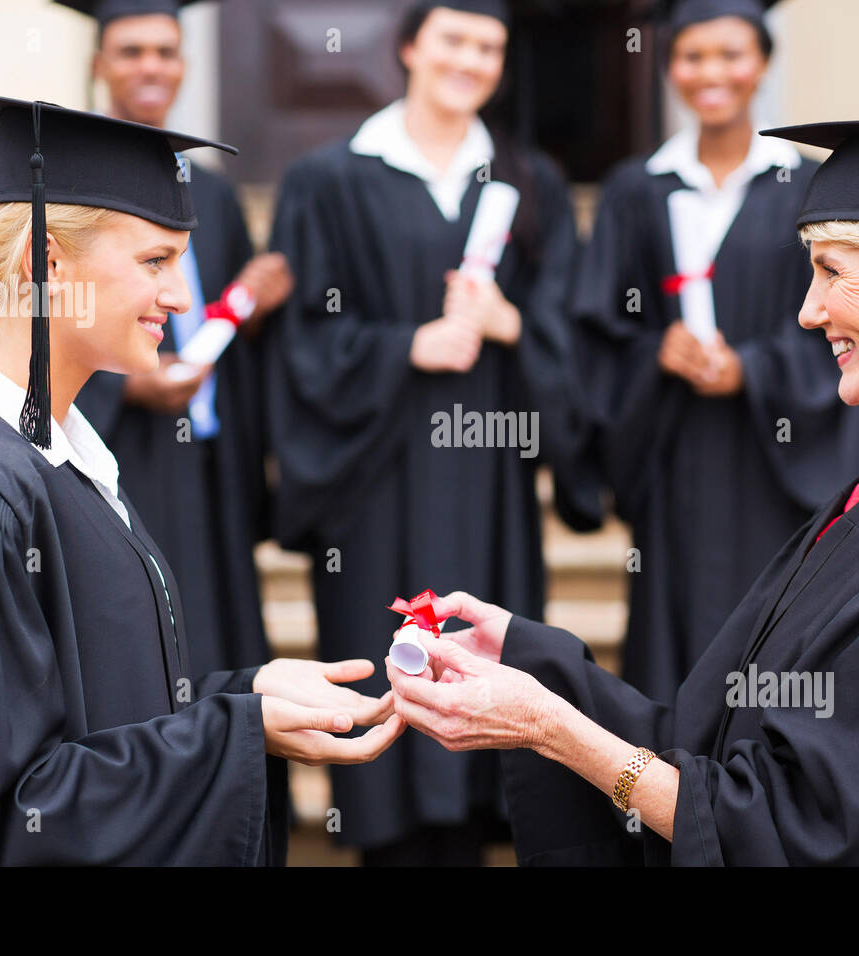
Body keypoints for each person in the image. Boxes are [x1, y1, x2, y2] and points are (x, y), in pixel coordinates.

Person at [386, 118, 859, 865]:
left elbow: (805, 833)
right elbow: (724, 743)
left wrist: (554, 731)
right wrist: (529, 660)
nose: (808, 310)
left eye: (832, 272)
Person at [0, 93, 402, 865]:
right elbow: (9, 822)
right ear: (46, 265)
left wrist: (246, 696)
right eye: (154, 262)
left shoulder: (67, 463)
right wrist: (236, 732)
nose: (180, 295)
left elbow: (97, 721)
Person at [266, 0, 589, 865]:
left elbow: (577, 331)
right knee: (391, 685)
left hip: (489, 486)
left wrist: (514, 326)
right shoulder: (326, 181)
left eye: (489, 46)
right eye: (454, 39)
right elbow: (300, 342)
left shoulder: (530, 183)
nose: (471, 59)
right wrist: (408, 344)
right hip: (375, 489)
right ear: (409, 46)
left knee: (490, 676)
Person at [575, 0, 859, 701]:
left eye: (731, 54)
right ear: (669, 67)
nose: (710, 72)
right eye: (692, 56)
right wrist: (658, 352)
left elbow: (850, 316)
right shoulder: (636, 190)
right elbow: (597, 333)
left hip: (777, 467)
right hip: (674, 463)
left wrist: (751, 368)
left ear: (763, 65)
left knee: (779, 632)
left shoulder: (810, 185)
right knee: (676, 653)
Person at [56, 0, 295, 678]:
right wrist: (127, 383)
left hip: (209, 458)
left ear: (186, 64)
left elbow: (208, 323)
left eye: (165, 51)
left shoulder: (213, 194)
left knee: (217, 628)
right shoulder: (68, 190)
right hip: (116, 449)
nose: (151, 67)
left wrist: (248, 310)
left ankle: (227, 771)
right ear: (99, 64)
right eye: (131, 52)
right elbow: (40, 312)